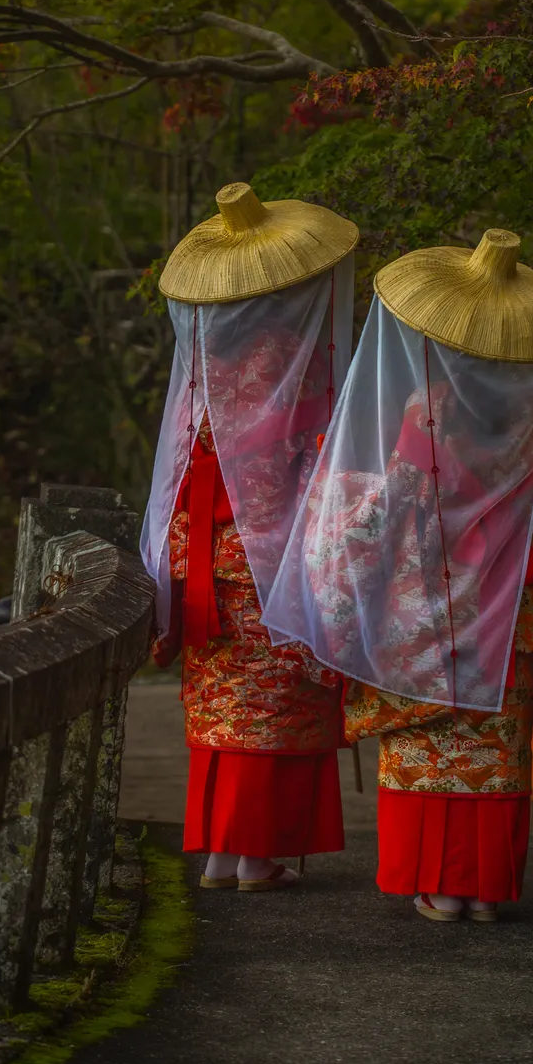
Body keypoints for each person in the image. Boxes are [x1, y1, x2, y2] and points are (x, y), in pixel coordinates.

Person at [264, 228, 533, 921]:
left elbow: (361, 539)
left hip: (423, 627)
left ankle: (437, 884)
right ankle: (483, 888)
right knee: (493, 755)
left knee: (429, 752)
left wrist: (404, 465)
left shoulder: (424, 423)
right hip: (509, 617)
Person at [141, 181, 358, 892]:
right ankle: (257, 858)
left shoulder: (211, 373)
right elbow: (318, 472)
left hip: (208, 560)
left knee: (225, 713)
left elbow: (185, 466)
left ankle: (219, 855)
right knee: (276, 712)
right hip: (278, 561)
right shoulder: (294, 372)